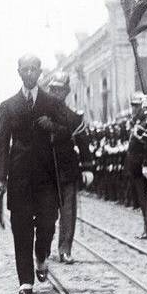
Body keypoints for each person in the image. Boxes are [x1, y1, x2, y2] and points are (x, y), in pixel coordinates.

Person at [0, 54, 72, 294]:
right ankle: (25, 280)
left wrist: (53, 127)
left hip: (46, 177)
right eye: (25, 69)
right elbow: (0, 143)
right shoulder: (8, 106)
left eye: (33, 69)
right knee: (21, 228)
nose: (29, 73)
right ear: (19, 72)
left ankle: (41, 254)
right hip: (19, 178)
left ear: (40, 72)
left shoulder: (52, 103)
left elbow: (69, 131)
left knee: (47, 223)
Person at [44, 71, 93, 264]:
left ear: (66, 92)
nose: (56, 93)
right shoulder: (39, 115)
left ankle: (65, 249)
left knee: (68, 213)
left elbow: (83, 143)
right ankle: (44, 247)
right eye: (53, 89)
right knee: (47, 213)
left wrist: (88, 167)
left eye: (60, 90)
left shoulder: (74, 117)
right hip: (46, 172)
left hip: (67, 171)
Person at [125, 92, 147, 239]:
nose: (134, 109)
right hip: (135, 166)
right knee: (142, 199)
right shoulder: (136, 122)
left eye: (137, 106)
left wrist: (146, 164)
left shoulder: (146, 122)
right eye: (133, 106)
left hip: (142, 165)